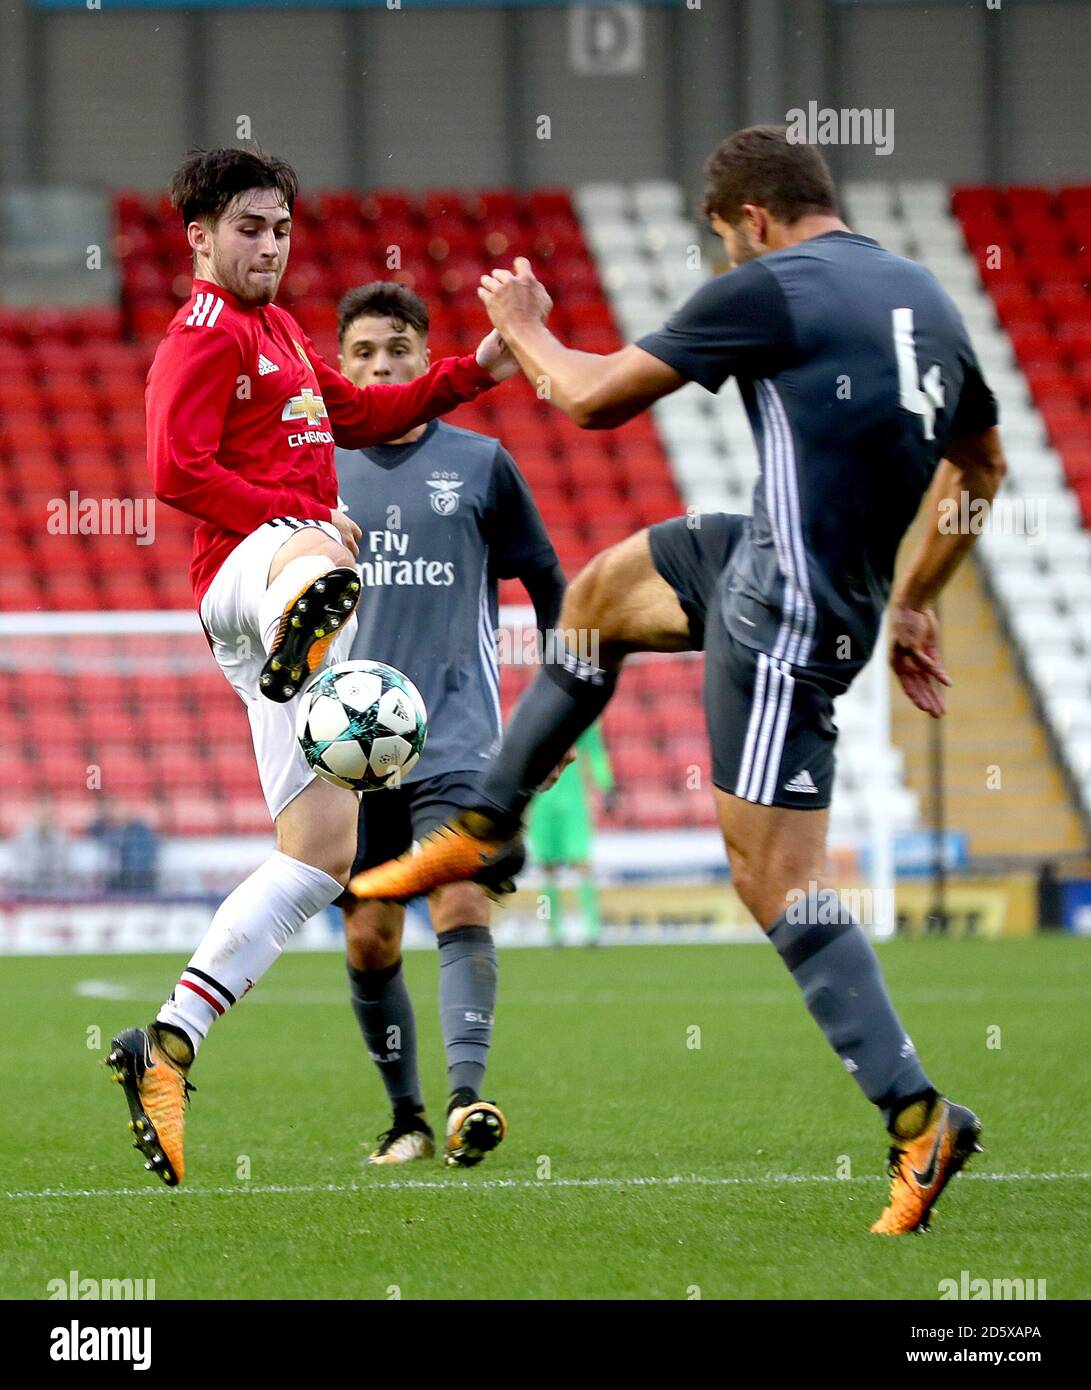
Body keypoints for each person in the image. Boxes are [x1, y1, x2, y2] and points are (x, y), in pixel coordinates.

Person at [348, 125, 1007, 1235]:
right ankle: (486, 823)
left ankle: (916, 1118)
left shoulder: (773, 284)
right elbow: (980, 465)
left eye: (720, 242)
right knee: (598, 595)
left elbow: (594, 399)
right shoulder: (923, 298)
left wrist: (521, 331)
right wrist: (916, 593)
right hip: (767, 557)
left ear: (747, 219)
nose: (721, 263)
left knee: (774, 880)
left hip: (787, 615)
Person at [104, 147, 519, 1187]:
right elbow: (171, 470)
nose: (269, 245)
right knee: (328, 548)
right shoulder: (202, 336)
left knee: (317, 860)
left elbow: (369, 415)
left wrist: (478, 367)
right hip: (243, 577)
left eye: (280, 228)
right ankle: (310, 618)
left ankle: (166, 1041)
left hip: (275, 614)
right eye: (247, 227)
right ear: (198, 237)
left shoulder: (284, 331)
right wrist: (291, 522)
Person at [333, 282, 565, 1167]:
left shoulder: (479, 463)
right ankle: (407, 1120)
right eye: (363, 353)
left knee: (462, 895)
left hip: (459, 738)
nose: (382, 364)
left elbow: (550, 586)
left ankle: (469, 1100)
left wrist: (555, 713)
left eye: (397, 348)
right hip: (354, 755)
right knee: (368, 936)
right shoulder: (318, 471)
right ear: (342, 366)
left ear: (427, 358)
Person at [527, 722, 613, 947]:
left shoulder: (583, 714)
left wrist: (605, 786)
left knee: (582, 863)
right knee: (547, 868)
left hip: (573, 801)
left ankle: (592, 931)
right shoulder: (532, 713)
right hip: (542, 802)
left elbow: (594, 751)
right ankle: (554, 932)